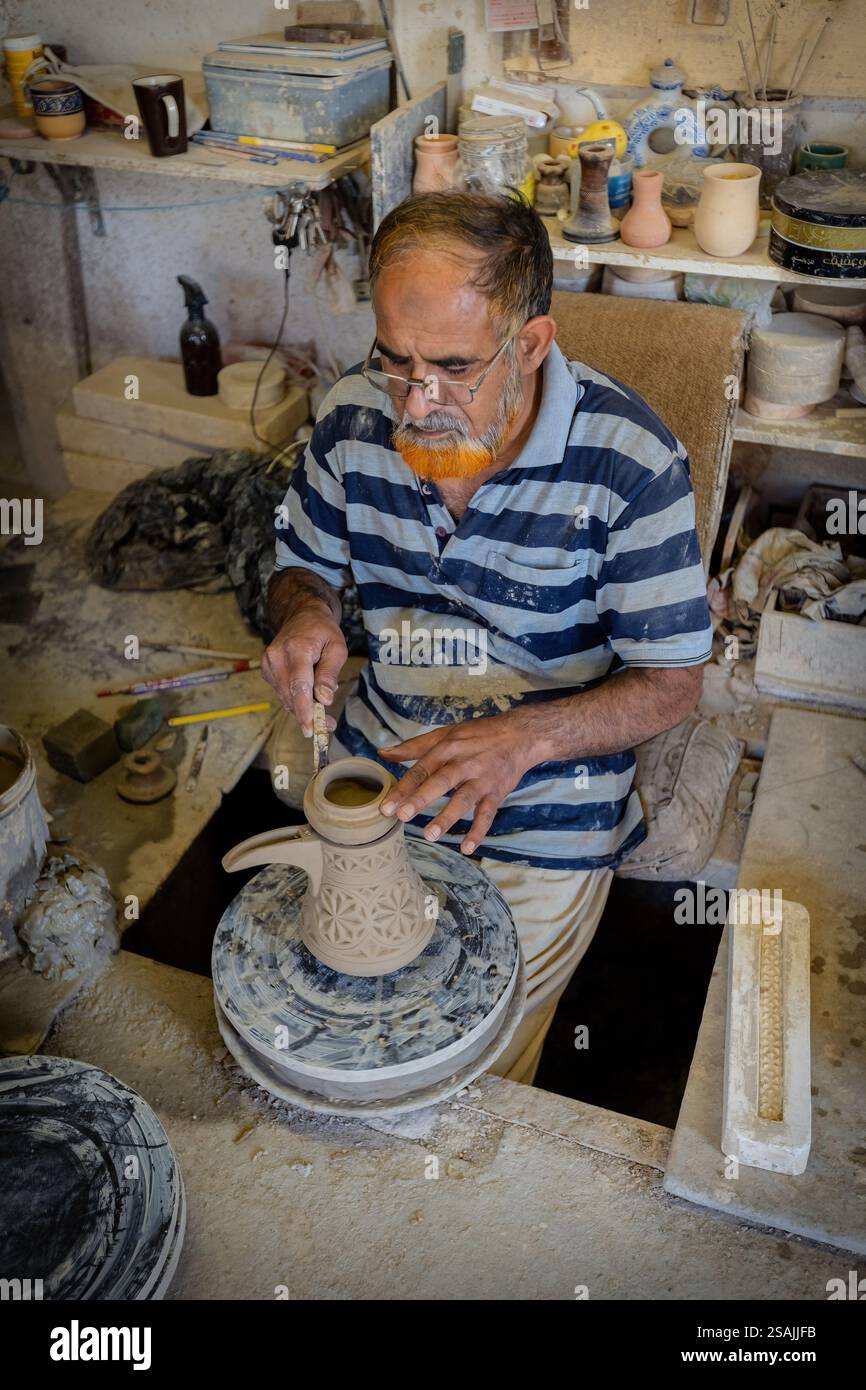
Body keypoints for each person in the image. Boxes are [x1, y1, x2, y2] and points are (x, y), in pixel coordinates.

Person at [263, 191, 711, 1084]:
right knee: (305, 1020)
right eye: (396, 359)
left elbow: (673, 680)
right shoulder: (356, 416)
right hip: (383, 757)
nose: (417, 400)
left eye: (455, 368)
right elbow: (300, 565)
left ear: (531, 344)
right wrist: (306, 608)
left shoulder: (630, 462)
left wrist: (524, 738)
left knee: (450, 1062)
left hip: (546, 803)